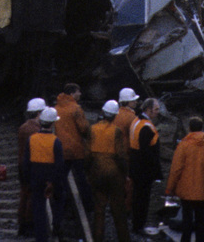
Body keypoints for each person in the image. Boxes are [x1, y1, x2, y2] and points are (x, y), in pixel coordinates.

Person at [167, 117, 204, 242]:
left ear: (189, 129)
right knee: (201, 220)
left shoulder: (184, 144)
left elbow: (176, 168)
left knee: (187, 220)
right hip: (203, 189)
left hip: (186, 189)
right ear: (202, 128)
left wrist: (170, 188)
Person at [89, 100, 130, 242]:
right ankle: (124, 239)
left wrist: (89, 171)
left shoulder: (92, 129)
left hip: (97, 171)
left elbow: (87, 153)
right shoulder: (116, 131)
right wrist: (126, 173)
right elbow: (120, 155)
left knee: (99, 208)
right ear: (115, 116)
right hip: (113, 173)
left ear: (103, 112)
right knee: (118, 209)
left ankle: (97, 238)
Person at [25, 107, 66, 242]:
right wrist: (54, 182)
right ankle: (57, 226)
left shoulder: (31, 139)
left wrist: (27, 180)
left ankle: (41, 237)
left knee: (38, 207)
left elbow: (26, 162)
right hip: (52, 176)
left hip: (36, 175)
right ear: (53, 123)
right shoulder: (56, 141)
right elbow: (59, 165)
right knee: (59, 200)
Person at [55, 83, 92, 220]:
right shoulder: (76, 109)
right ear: (72, 94)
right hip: (76, 150)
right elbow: (84, 128)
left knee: (61, 177)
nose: (80, 94)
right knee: (82, 178)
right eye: (78, 92)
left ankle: (61, 202)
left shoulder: (56, 108)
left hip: (61, 150)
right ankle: (88, 205)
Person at [130, 98, 163, 236]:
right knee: (142, 199)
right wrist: (156, 172)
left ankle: (136, 224)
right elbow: (147, 153)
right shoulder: (146, 128)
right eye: (156, 109)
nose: (158, 112)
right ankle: (139, 226)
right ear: (148, 110)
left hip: (135, 167)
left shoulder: (136, 121)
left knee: (137, 197)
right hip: (143, 171)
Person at [18, 97, 47, 236]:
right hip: (32, 166)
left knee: (24, 194)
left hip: (22, 164)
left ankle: (22, 224)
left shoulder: (23, 127)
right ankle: (29, 224)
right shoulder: (36, 130)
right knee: (33, 196)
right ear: (39, 113)